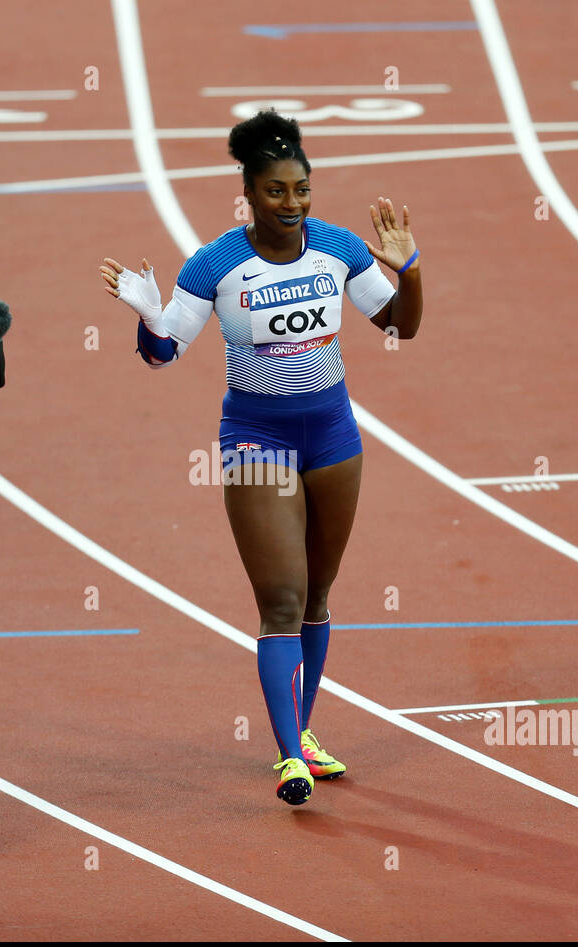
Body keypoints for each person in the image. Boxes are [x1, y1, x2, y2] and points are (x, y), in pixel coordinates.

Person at [100, 110, 422, 805]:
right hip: (257, 439)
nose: (292, 204)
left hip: (334, 437)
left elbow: (403, 324)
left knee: (316, 597)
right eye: (276, 191)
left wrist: (410, 268)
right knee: (280, 600)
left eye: (301, 189)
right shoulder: (215, 264)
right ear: (248, 193)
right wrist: (147, 315)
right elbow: (163, 353)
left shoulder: (338, 249)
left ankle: (301, 732)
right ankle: (288, 760)